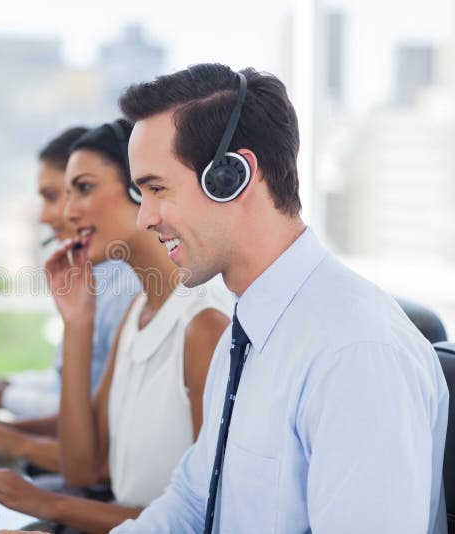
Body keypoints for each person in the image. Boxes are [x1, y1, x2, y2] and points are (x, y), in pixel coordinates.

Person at [107, 63, 448, 533]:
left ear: (231, 176)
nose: (144, 219)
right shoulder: (248, 329)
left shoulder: (356, 353)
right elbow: (193, 502)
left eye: (157, 189)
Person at [0, 120, 231, 533]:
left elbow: (205, 521)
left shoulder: (204, 325)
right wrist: (78, 321)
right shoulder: (137, 313)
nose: (68, 212)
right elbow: (82, 467)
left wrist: (51, 506)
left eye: (84, 188)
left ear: (140, 189)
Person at [0, 126, 141, 420]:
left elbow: (95, 420)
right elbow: (67, 390)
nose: (49, 215)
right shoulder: (99, 278)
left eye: (76, 191)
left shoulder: (130, 289)